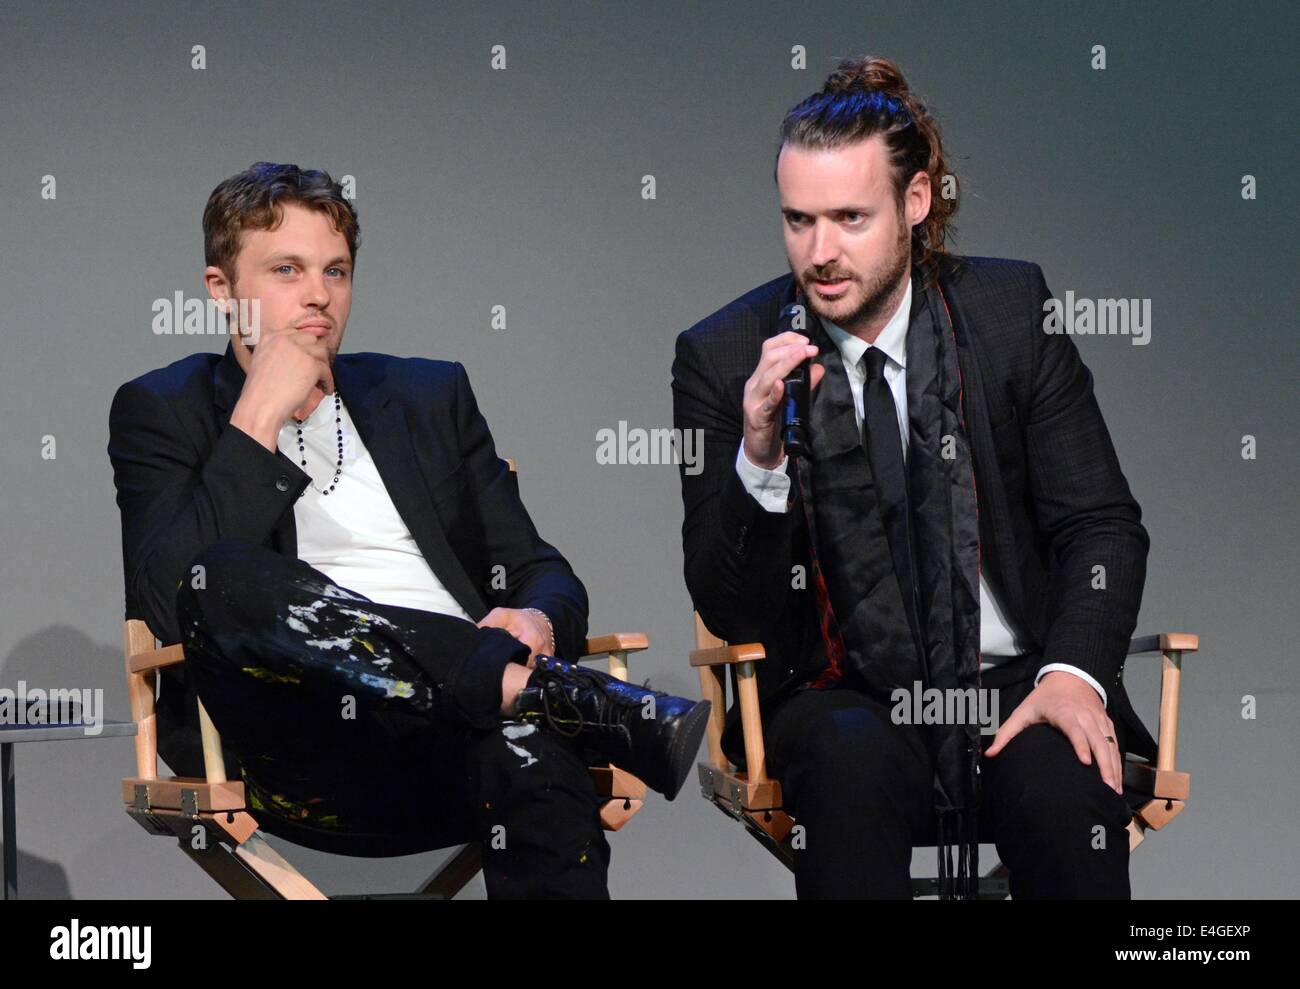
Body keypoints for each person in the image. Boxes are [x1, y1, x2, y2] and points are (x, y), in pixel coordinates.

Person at [108, 161, 710, 899]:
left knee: (534, 756)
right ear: (220, 288)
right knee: (224, 577)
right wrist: (256, 418)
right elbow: (171, 605)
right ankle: (540, 689)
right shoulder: (163, 409)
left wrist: (537, 618)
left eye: (336, 270)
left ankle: (520, 689)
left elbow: (545, 572)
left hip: (458, 743)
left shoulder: (427, 396)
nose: (319, 294)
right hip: (298, 751)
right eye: (287, 269)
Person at [672, 57, 1155, 899]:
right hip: (838, 690)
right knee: (850, 767)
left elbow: (1101, 525)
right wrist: (759, 452)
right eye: (798, 220)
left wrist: (1072, 677)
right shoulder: (723, 356)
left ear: (917, 202)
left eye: (851, 218)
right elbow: (732, 606)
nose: (820, 253)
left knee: (1068, 792)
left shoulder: (1008, 315)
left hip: (1014, 683)